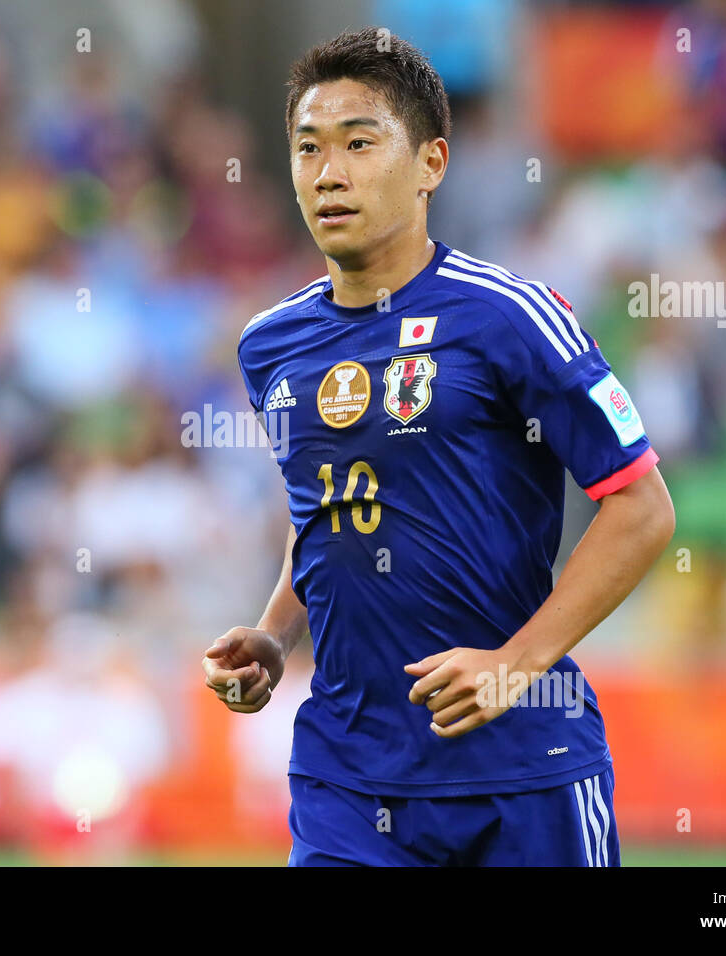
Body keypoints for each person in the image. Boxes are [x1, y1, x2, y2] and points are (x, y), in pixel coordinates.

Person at [201, 27, 675, 866]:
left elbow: (640, 508)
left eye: (359, 142)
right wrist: (278, 632)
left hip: (523, 771)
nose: (329, 172)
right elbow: (324, 503)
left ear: (431, 164)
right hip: (347, 774)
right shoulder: (270, 345)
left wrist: (514, 664)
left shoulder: (510, 317)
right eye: (308, 148)